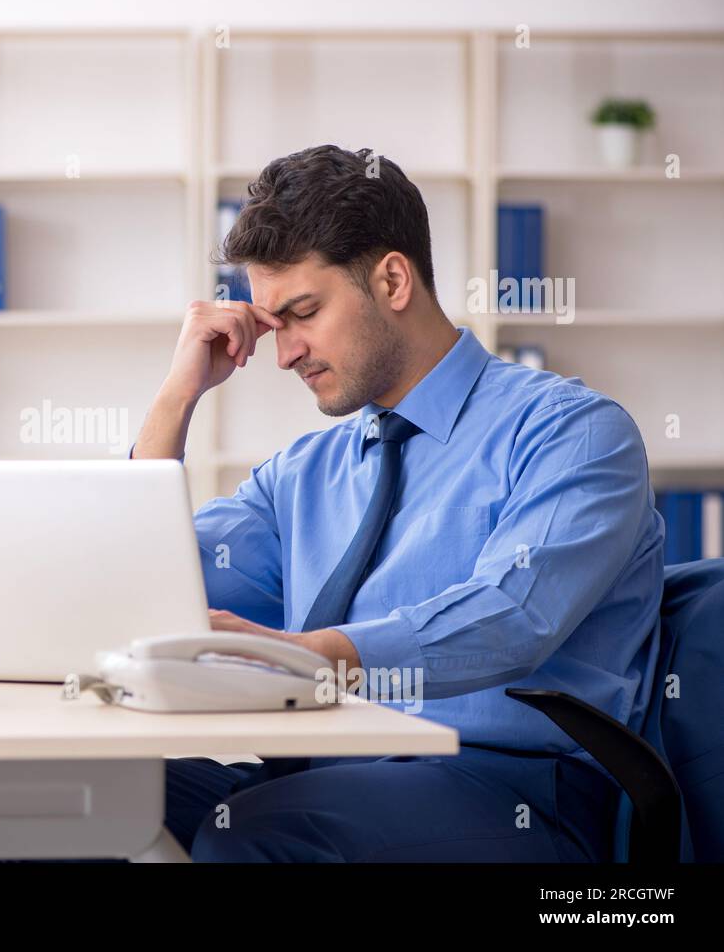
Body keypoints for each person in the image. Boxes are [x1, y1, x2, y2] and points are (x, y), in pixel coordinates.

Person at [130, 144, 664, 862]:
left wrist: (316, 657)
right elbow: (148, 581)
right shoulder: (305, 471)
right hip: (327, 777)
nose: (283, 354)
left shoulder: (572, 431)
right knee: (76, 796)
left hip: (514, 793)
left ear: (391, 279)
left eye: (303, 313)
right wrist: (177, 396)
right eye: (271, 322)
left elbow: (513, 616)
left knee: (267, 835)